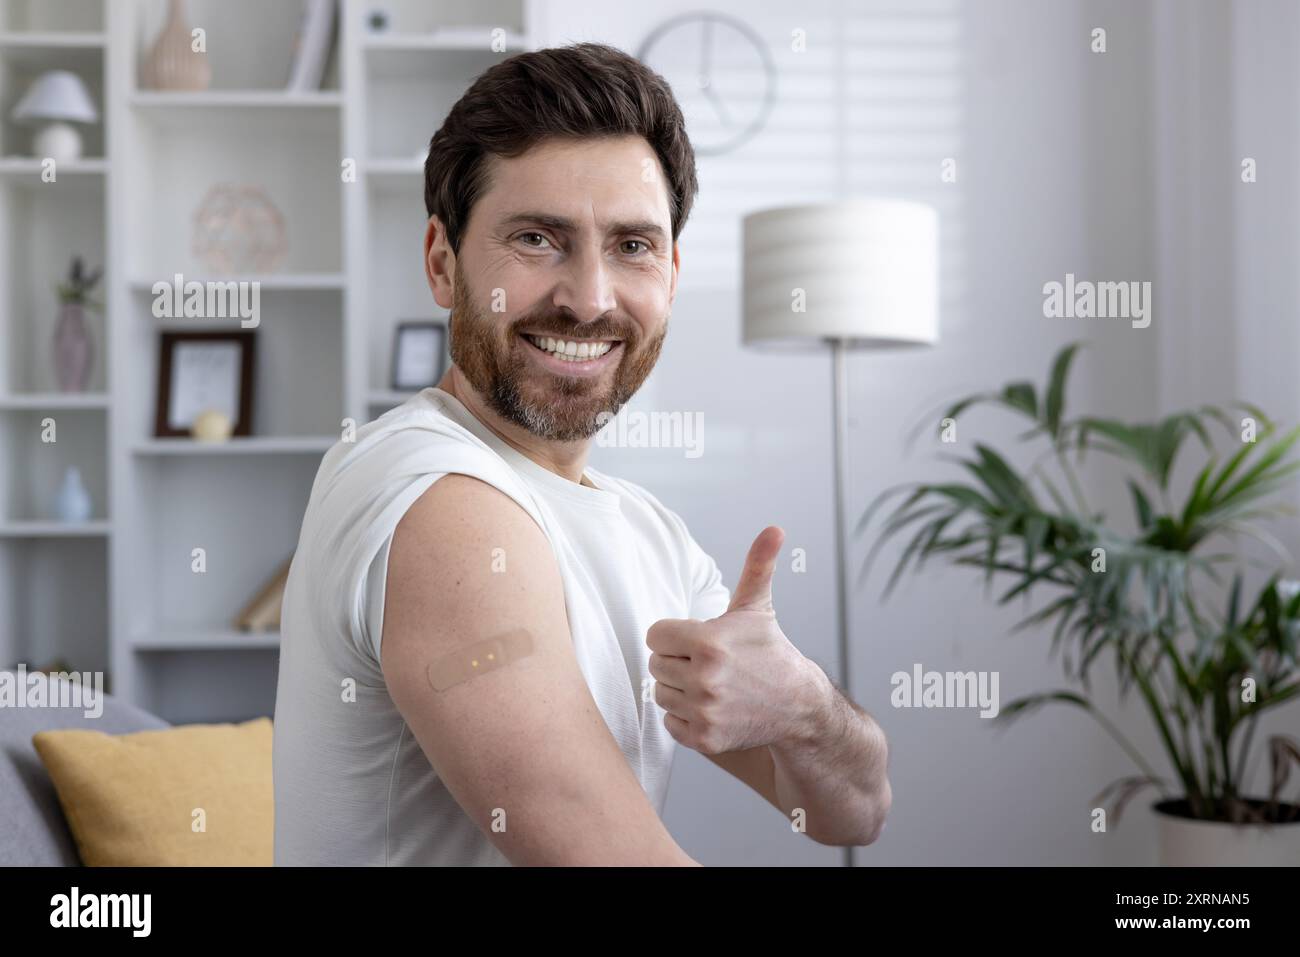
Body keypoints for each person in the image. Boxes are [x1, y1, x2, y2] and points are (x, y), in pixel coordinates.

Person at [273, 42, 890, 866]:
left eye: (632, 246)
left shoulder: (647, 532)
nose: (588, 298)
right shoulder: (431, 494)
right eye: (537, 238)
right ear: (442, 263)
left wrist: (805, 705)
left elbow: (853, 810)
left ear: (670, 275)